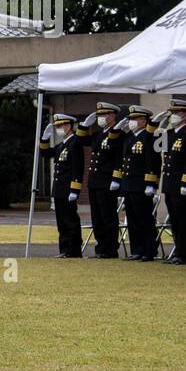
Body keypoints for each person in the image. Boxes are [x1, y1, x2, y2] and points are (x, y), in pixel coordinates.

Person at [159, 98, 186, 265]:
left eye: (176, 113)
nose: (173, 116)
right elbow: (157, 147)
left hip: (182, 183)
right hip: (170, 183)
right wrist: (160, 124)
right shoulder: (170, 133)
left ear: (185, 115)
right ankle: (178, 251)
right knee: (175, 221)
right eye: (172, 113)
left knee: (185, 221)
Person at [115, 106, 160, 262]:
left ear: (143, 120)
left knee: (144, 219)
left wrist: (151, 184)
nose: (131, 122)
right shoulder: (129, 137)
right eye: (131, 119)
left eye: (134, 119)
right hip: (128, 184)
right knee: (132, 219)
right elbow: (123, 161)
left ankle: (149, 251)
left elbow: (153, 161)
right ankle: (137, 250)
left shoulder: (151, 137)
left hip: (141, 184)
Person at [39, 112, 87, 258]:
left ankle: (73, 250)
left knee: (70, 220)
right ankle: (64, 249)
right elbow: (46, 153)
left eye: (60, 126)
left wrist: (75, 189)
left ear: (68, 126)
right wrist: (44, 139)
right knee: (61, 221)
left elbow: (78, 168)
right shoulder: (62, 145)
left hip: (68, 189)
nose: (59, 128)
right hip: (59, 189)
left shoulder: (74, 144)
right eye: (57, 126)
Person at [85, 101, 124, 258]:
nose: (100, 118)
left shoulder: (118, 135)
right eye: (99, 115)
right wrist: (83, 126)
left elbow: (118, 158)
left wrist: (116, 178)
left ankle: (111, 248)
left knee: (108, 216)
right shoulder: (98, 135)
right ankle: (101, 247)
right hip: (94, 181)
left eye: (103, 115)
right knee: (97, 217)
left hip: (108, 182)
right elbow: (80, 141)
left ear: (112, 116)